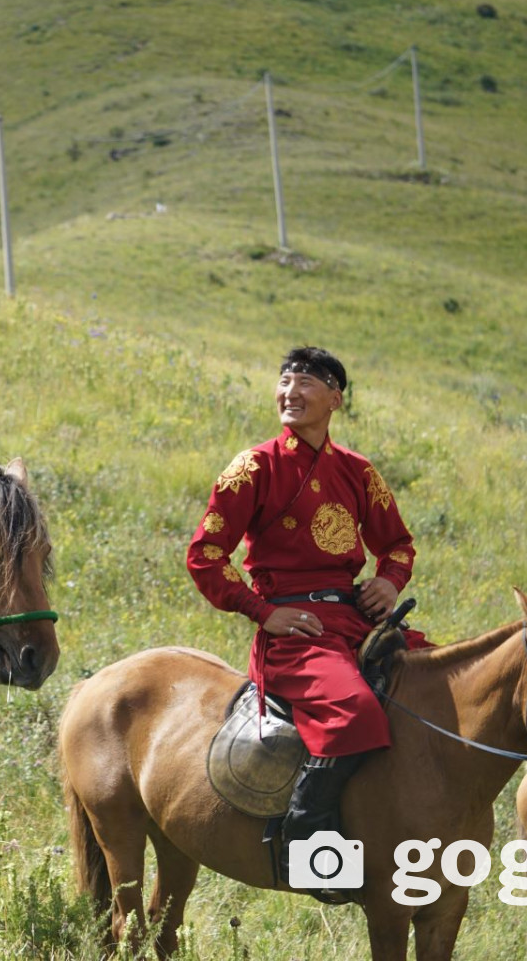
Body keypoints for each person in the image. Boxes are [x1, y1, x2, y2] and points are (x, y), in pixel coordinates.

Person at [185, 346, 429, 855]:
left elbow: (398, 544)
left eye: (306, 383)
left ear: (335, 399)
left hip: (357, 621)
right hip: (296, 633)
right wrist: (264, 612)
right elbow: (206, 555)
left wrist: (388, 581)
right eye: (284, 382)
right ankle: (308, 835)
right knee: (356, 711)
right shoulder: (253, 467)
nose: (290, 392)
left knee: (437, 685)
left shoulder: (359, 471)